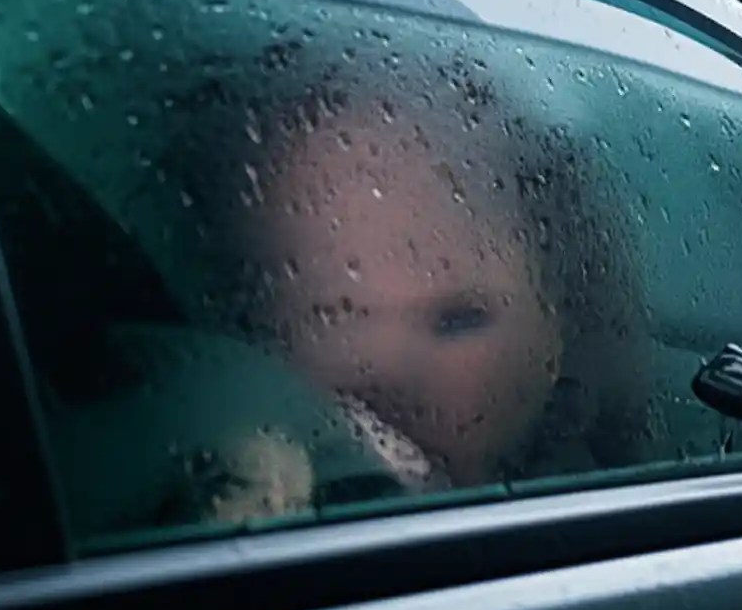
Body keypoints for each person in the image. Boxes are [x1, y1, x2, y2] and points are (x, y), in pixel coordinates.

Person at [154, 50, 654, 519]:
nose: (390, 379)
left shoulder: (606, 504)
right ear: (250, 332)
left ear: (556, 330)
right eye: (333, 318)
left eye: (457, 320)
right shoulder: (235, 482)